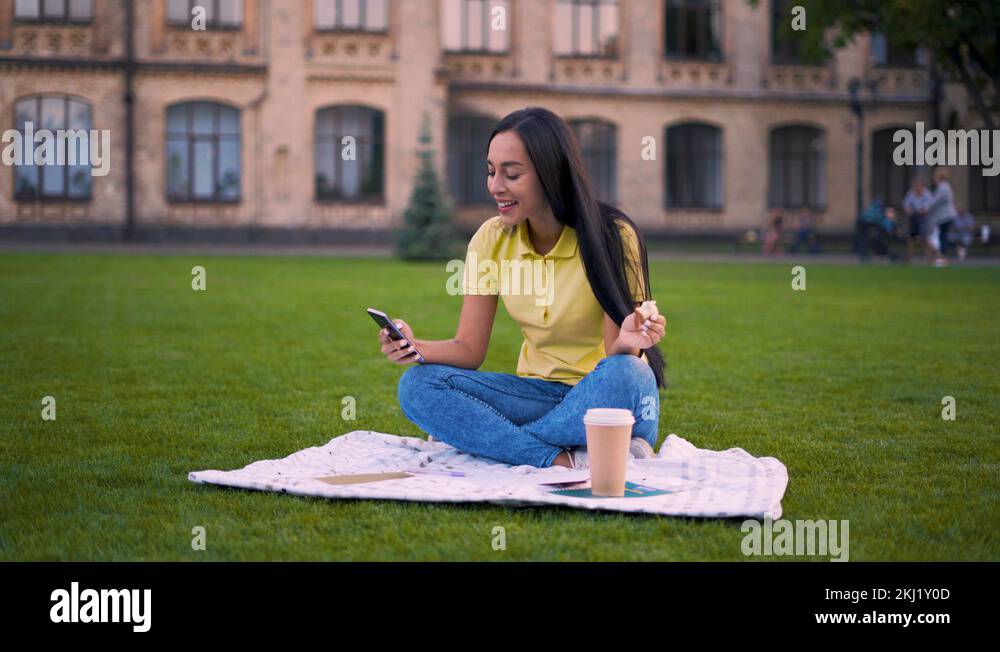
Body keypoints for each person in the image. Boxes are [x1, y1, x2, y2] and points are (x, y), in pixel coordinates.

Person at [379, 107, 667, 470]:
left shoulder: (613, 235)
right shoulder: (490, 239)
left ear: (551, 174)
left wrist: (630, 340)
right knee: (417, 386)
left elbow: (617, 355)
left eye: (511, 174)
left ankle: (501, 440)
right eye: (491, 171)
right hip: (536, 395)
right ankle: (559, 456)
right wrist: (413, 345)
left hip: (607, 396)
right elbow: (468, 350)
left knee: (629, 372)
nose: (495, 186)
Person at [926, 167, 958, 267]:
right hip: (944, 216)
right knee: (942, 236)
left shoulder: (943, 187)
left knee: (942, 236)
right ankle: (944, 255)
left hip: (945, 216)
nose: (933, 179)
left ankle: (943, 257)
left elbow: (935, 201)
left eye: (934, 177)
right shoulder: (944, 187)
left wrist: (926, 208)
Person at [902, 176, 931, 263]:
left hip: (923, 218)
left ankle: (929, 257)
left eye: (918, 186)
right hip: (913, 217)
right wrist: (908, 210)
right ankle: (909, 257)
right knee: (911, 238)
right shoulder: (911, 194)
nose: (917, 188)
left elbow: (928, 206)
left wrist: (922, 211)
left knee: (924, 238)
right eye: (915, 186)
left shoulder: (927, 194)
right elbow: (906, 204)